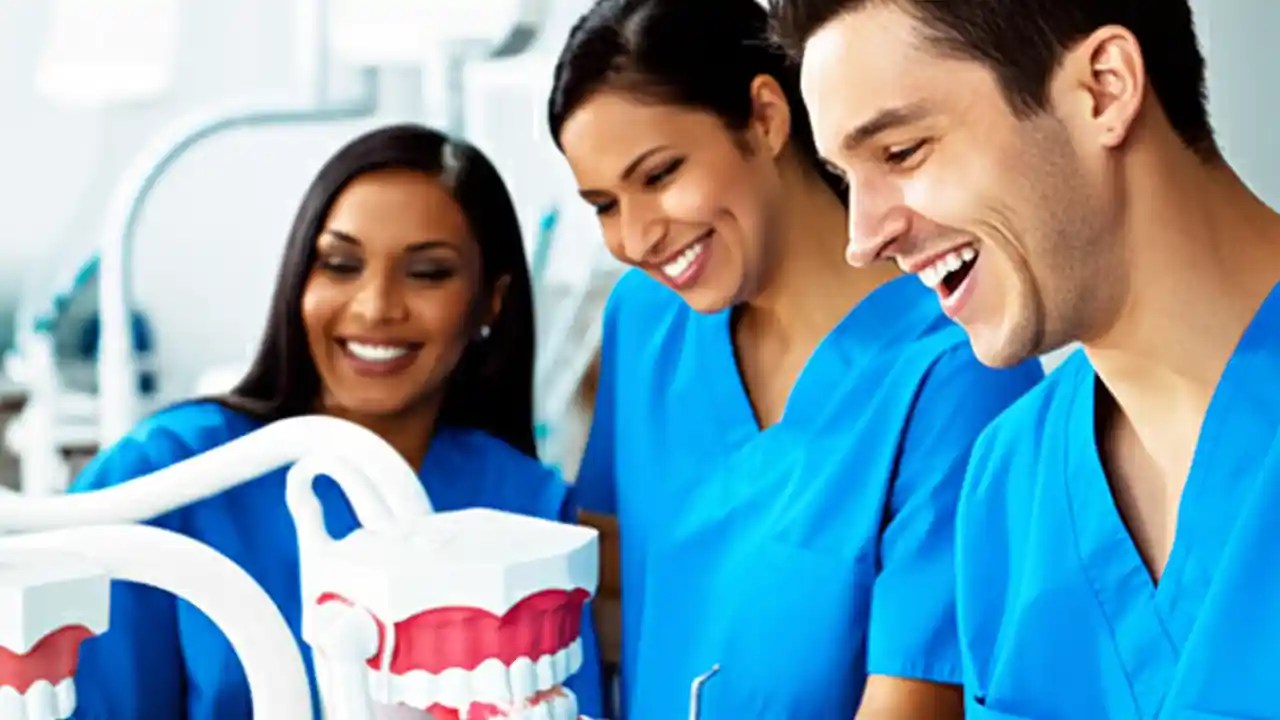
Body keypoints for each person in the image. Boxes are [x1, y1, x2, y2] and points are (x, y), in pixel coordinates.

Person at [774, 1, 1280, 717]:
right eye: (845, 177)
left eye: (902, 152)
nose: (864, 238)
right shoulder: (1007, 483)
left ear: (1103, 89)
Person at [547, 1, 1045, 717]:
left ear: (765, 116)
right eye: (603, 203)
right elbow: (621, 588)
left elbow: (921, 695)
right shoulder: (645, 318)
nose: (636, 236)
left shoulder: (958, 369)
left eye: (659, 175)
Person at [67, 124, 605, 720]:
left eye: (428, 273)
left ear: (490, 302)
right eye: (341, 265)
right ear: (300, 278)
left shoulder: (523, 508)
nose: (376, 306)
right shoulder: (166, 476)